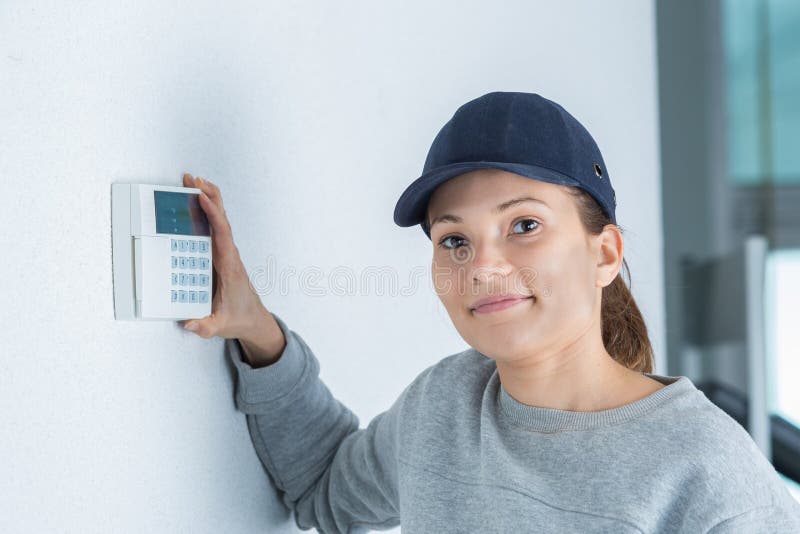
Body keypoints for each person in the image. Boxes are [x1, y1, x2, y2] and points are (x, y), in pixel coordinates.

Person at [181, 92, 800, 533]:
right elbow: (325, 490)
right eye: (454, 240)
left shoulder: (703, 467)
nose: (482, 267)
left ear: (604, 253)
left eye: (524, 225)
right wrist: (254, 327)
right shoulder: (444, 407)